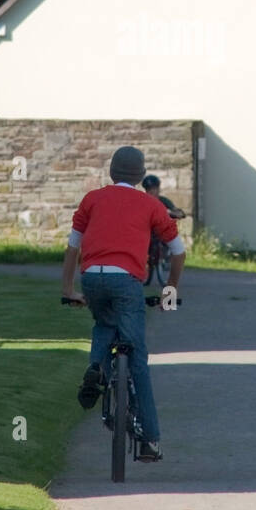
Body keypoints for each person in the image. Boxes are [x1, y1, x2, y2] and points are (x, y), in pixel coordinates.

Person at [61, 146, 186, 462]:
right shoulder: (150, 204)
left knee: (104, 322)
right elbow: (178, 250)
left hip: (92, 276)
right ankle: (150, 440)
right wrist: (170, 288)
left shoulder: (92, 199)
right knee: (137, 357)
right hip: (127, 281)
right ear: (141, 176)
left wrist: (68, 289)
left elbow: (72, 248)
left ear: (111, 173)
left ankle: (97, 369)